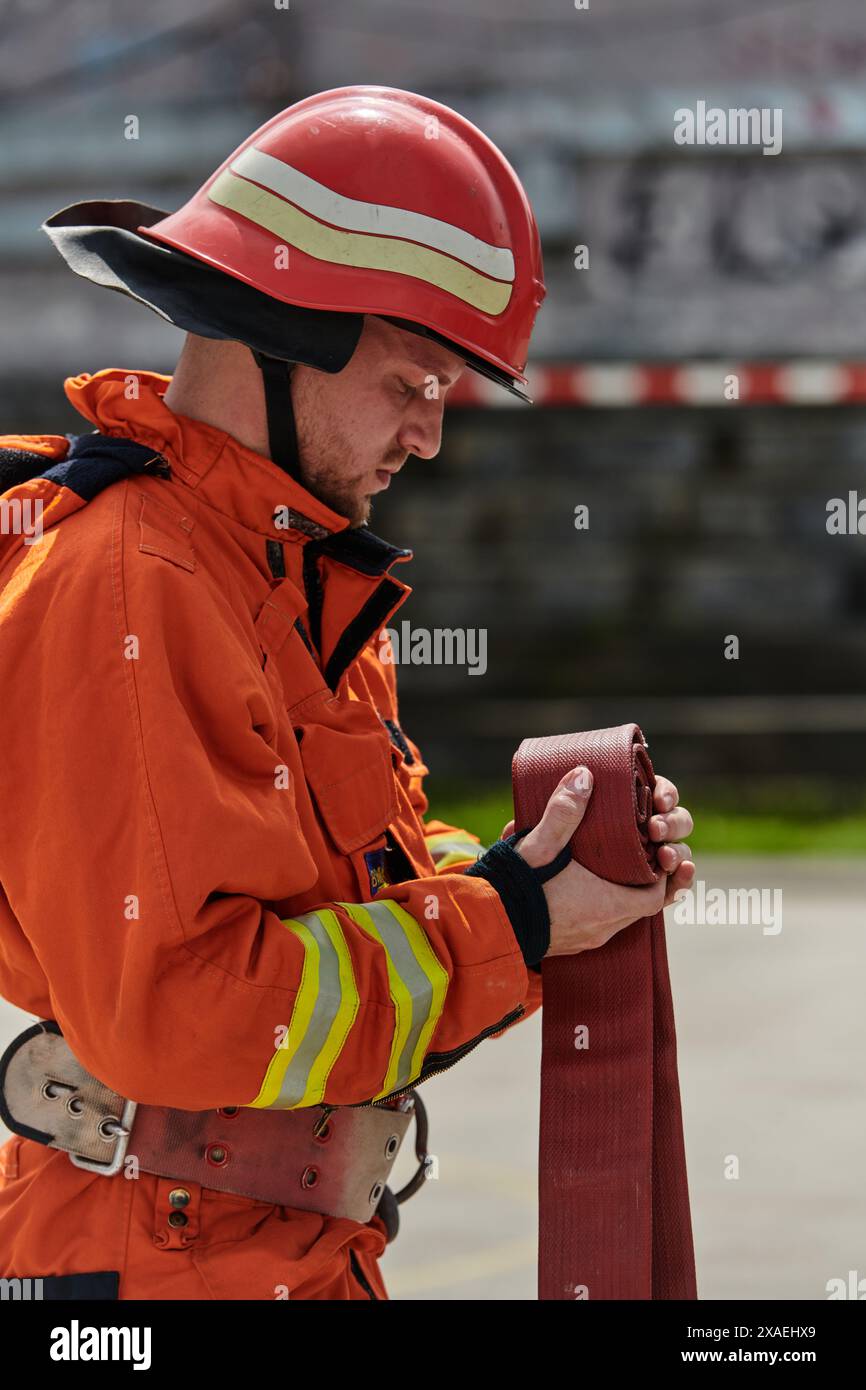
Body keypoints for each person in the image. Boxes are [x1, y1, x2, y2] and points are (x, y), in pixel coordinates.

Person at [0, 86, 695, 1301]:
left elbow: (342, 909)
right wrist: (516, 919)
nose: (428, 439)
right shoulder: (134, 587)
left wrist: (545, 873)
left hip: (264, 1252)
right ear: (284, 329)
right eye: (414, 383)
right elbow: (176, 1010)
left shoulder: (270, 572)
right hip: (158, 1267)